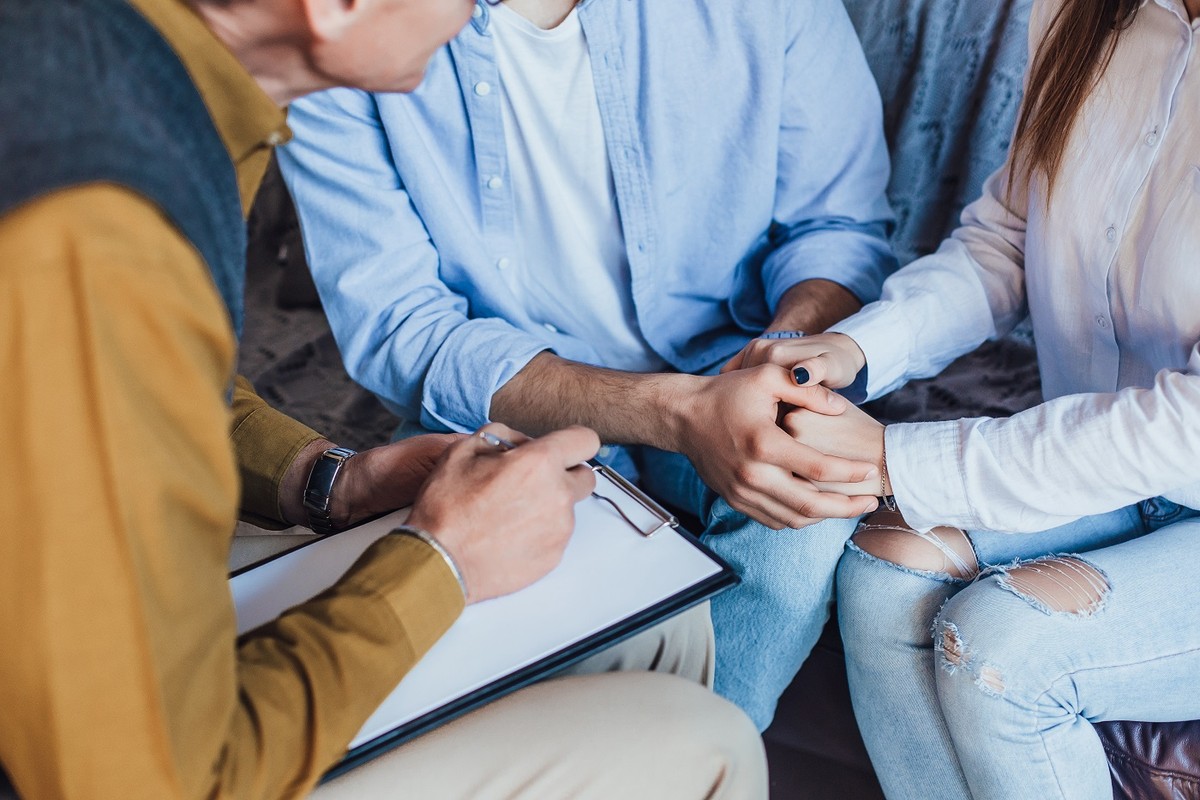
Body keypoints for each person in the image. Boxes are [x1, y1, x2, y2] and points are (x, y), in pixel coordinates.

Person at [0, 0, 768, 798]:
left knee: (640, 606)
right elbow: (136, 780)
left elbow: (154, 389)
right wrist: (440, 563)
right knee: (703, 745)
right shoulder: (90, 233)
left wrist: (327, 479)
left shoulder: (137, 75)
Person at [277, 0, 893, 728]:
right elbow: (404, 326)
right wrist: (674, 411)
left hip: (736, 362)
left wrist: (781, 366)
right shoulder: (342, 29)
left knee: (805, 525)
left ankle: (697, 755)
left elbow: (836, 229)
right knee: (521, 627)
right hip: (516, 406)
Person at [740, 0, 1200, 795]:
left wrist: (895, 455)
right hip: (1108, 474)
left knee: (1002, 652)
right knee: (883, 572)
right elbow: (1007, 240)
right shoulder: (1078, 14)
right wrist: (857, 347)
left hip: (1174, 464)